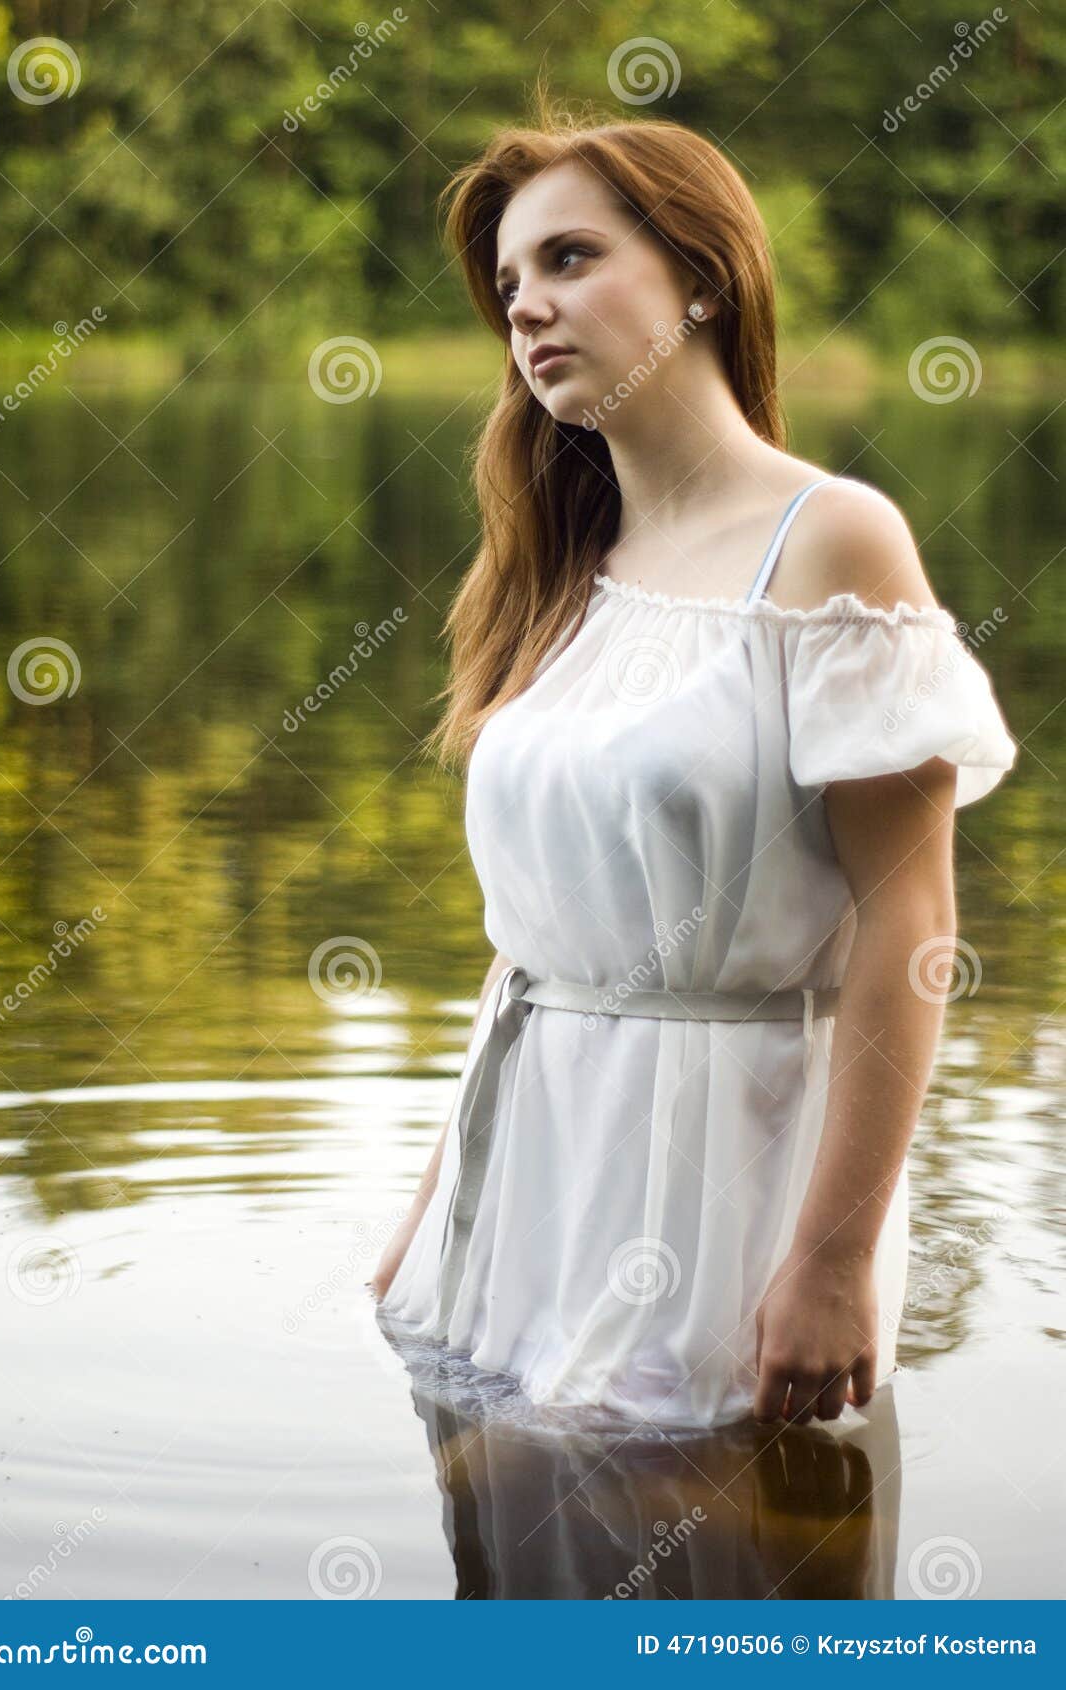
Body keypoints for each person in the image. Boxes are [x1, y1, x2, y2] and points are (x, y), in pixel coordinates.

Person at [370, 109, 1018, 1432]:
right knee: (512, 1594)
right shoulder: (559, 575)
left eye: (569, 259)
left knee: (720, 1579)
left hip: (723, 1183)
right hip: (526, 1183)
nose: (527, 309)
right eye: (507, 285)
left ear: (702, 277)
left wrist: (833, 1256)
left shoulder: (832, 539)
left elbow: (913, 922)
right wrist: (431, 1214)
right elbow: (527, 953)